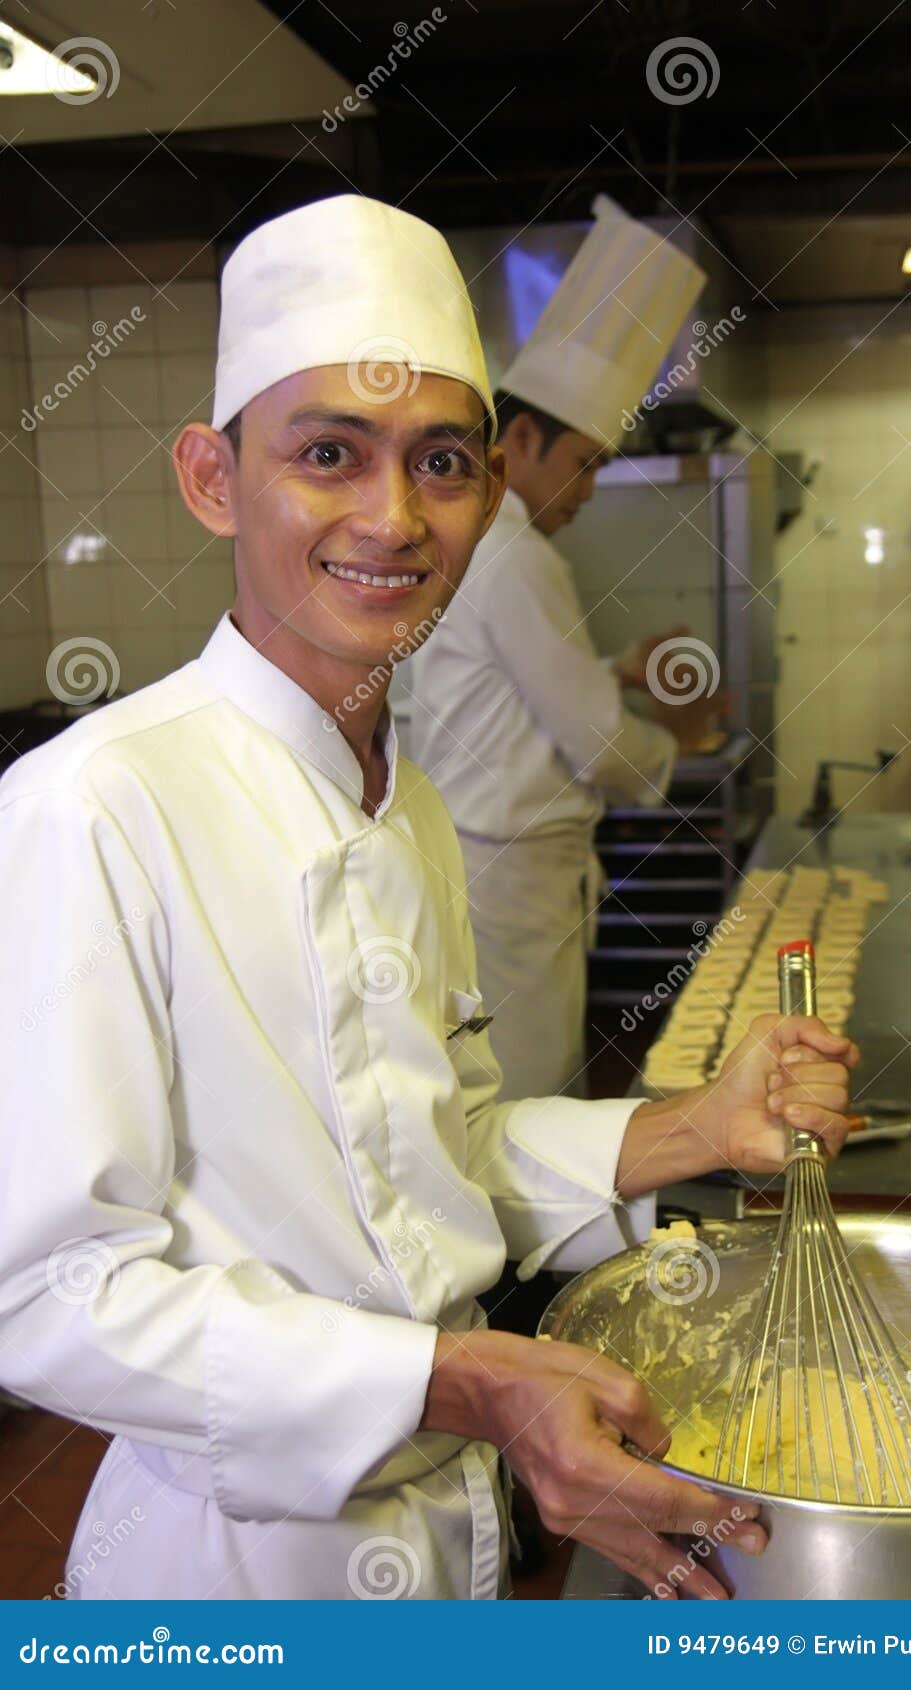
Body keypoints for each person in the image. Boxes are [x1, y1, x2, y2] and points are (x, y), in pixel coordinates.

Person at [0, 194, 857, 1602]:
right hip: (234, 1572)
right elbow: (46, 1299)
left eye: (440, 462)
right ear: (213, 478)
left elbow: (428, 1157)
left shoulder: (408, 804)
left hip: (448, 1545)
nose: (393, 519)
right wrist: (462, 1383)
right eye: (326, 453)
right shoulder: (94, 805)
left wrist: (689, 1126)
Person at [409, 198, 719, 1102]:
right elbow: (602, 749)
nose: (588, 490)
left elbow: (518, 692)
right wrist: (680, 744)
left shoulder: (489, 544)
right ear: (516, 442)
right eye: (581, 462)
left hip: (496, 871)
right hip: (506, 885)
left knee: (510, 1097)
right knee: (525, 1108)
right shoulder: (513, 551)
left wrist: (613, 675)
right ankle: (536, 1255)